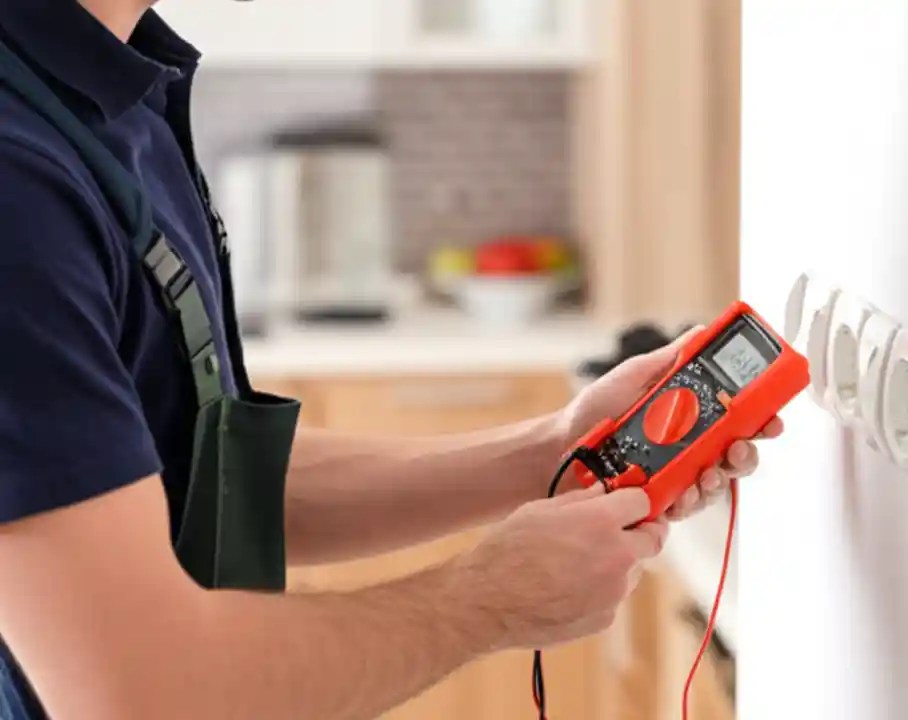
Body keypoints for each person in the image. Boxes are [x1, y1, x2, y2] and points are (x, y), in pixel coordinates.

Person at [0, 0, 784, 718]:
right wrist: (488, 601)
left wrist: (554, 451)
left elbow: (196, 479)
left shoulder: (108, 90)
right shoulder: (17, 178)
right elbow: (144, 694)